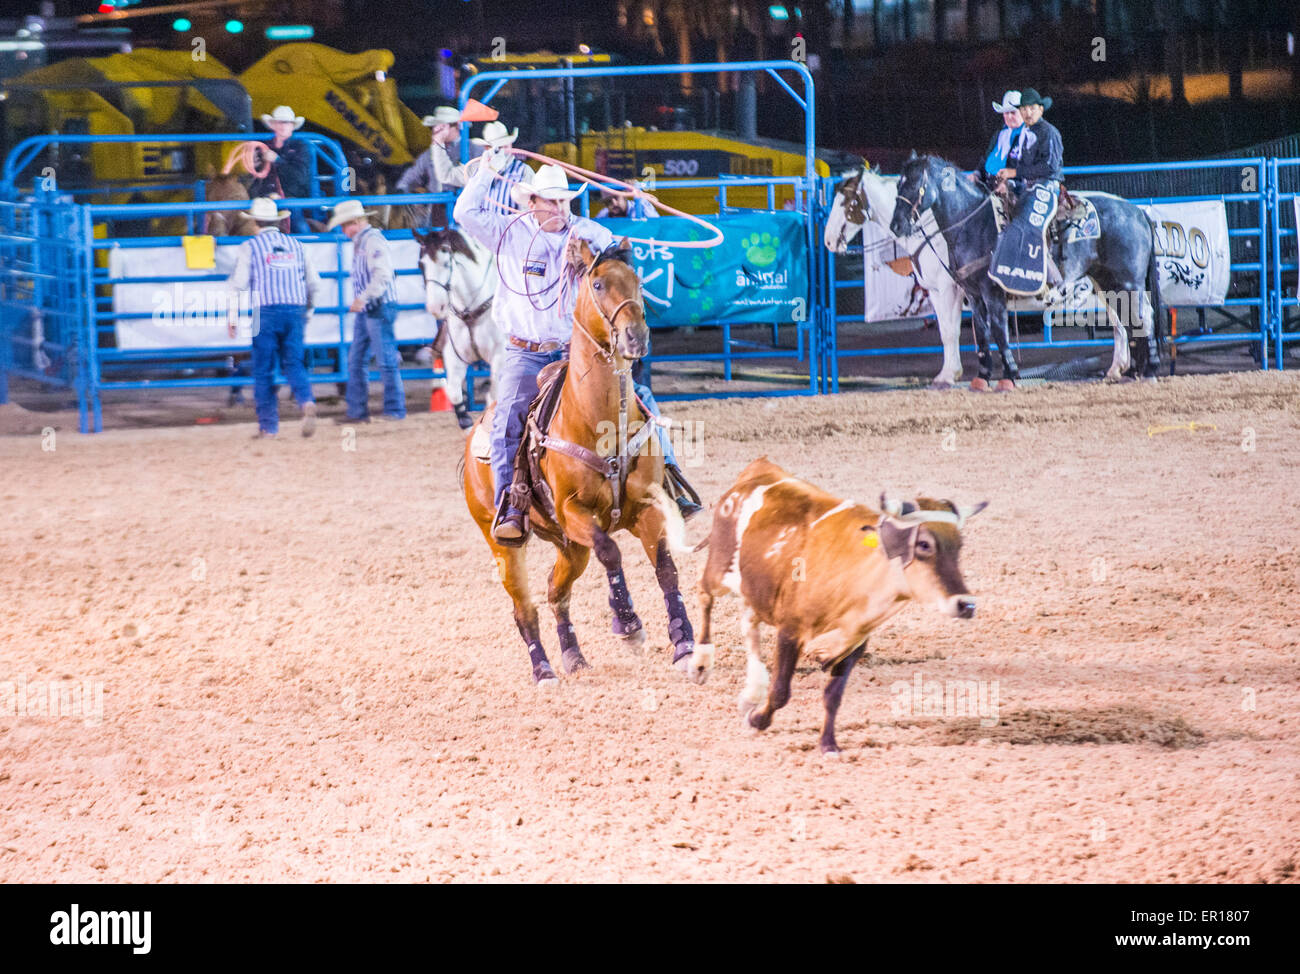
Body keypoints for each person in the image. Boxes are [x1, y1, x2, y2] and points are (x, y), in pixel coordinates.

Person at [454, 158, 700, 545]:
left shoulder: (589, 234)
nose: (558, 210)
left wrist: (589, 262)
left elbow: (620, 264)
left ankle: (670, 480)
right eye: (550, 202)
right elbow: (465, 211)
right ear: (531, 201)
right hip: (526, 351)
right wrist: (487, 168)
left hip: (576, 350)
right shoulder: (507, 232)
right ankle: (511, 504)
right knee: (508, 419)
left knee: (638, 397)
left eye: (564, 202)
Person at [226, 197, 321, 438]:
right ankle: (306, 400)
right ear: (277, 222)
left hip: (264, 312)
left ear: (255, 222)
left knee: (263, 368)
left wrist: (233, 316)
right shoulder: (298, 246)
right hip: (294, 310)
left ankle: (268, 427)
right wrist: (307, 312)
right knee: (294, 363)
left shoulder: (251, 246)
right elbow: (314, 284)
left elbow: (238, 284)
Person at [328, 199, 406, 423]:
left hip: (377, 307)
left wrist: (362, 298)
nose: (343, 231)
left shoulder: (371, 241)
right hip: (373, 307)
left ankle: (390, 410)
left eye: (345, 226)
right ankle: (362, 411)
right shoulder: (366, 241)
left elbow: (383, 275)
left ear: (355, 222)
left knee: (380, 360)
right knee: (362, 359)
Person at [990, 87, 1064, 294]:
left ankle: (1057, 282)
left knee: (1027, 224)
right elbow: (1019, 166)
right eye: (1024, 109)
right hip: (1028, 186)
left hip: (1047, 186)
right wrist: (1008, 181)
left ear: (1040, 109)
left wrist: (1014, 173)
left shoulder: (1049, 133)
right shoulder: (1025, 134)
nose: (1028, 113)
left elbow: (1050, 167)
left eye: (1032, 108)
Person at [249, 105, 312, 234]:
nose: (283, 126)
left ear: (292, 126)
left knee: (298, 224)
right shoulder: (262, 146)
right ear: (272, 125)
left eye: (287, 123)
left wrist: (277, 161)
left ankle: (308, 243)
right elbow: (252, 174)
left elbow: (299, 177)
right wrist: (255, 163)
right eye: (279, 122)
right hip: (264, 196)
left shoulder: (301, 147)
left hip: (290, 196)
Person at [396, 106, 461, 226]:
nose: (436, 130)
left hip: (462, 208)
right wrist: (413, 196)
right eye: (435, 127)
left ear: (456, 126)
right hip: (435, 210)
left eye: (442, 127)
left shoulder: (473, 150)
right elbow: (407, 180)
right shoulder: (428, 155)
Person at [973, 90, 1025, 185]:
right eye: (1006, 113)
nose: (1009, 116)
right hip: (988, 183)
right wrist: (976, 173)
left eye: (1013, 112)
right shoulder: (1000, 134)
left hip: (1013, 187)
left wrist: (1011, 184)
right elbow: (985, 157)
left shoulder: (1029, 135)